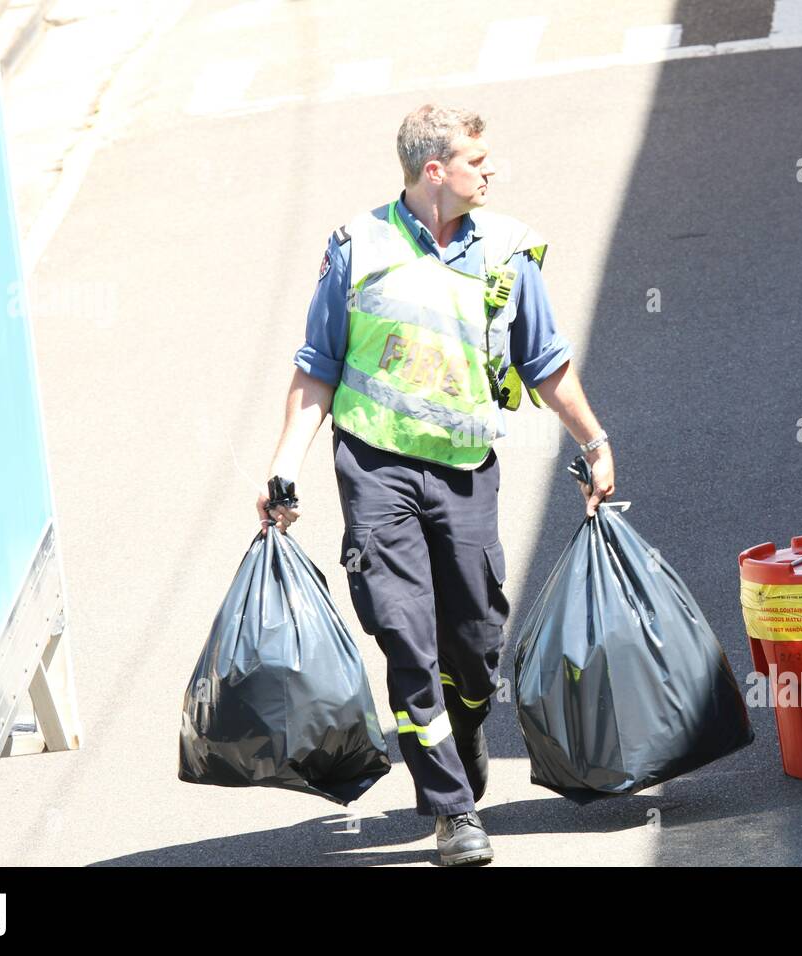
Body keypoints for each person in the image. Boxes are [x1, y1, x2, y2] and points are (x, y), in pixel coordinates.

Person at [257, 104, 615, 864]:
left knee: (477, 639)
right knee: (406, 638)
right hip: (375, 467)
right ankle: (453, 811)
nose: (492, 170)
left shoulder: (509, 252)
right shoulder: (358, 248)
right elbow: (316, 368)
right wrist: (284, 465)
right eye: (477, 160)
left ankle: (469, 720)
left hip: (464, 471)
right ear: (433, 172)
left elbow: (544, 361)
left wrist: (595, 439)